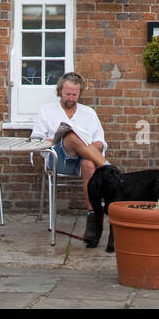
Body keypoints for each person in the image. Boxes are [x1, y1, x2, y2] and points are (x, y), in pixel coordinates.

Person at [31, 72, 107, 235]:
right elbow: (36, 141)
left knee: (88, 163)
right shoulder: (46, 111)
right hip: (58, 160)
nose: (71, 98)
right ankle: (109, 169)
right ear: (60, 91)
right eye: (67, 94)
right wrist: (56, 140)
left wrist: (86, 149)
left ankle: (92, 217)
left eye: (75, 94)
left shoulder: (89, 113)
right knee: (71, 136)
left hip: (82, 161)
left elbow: (100, 142)